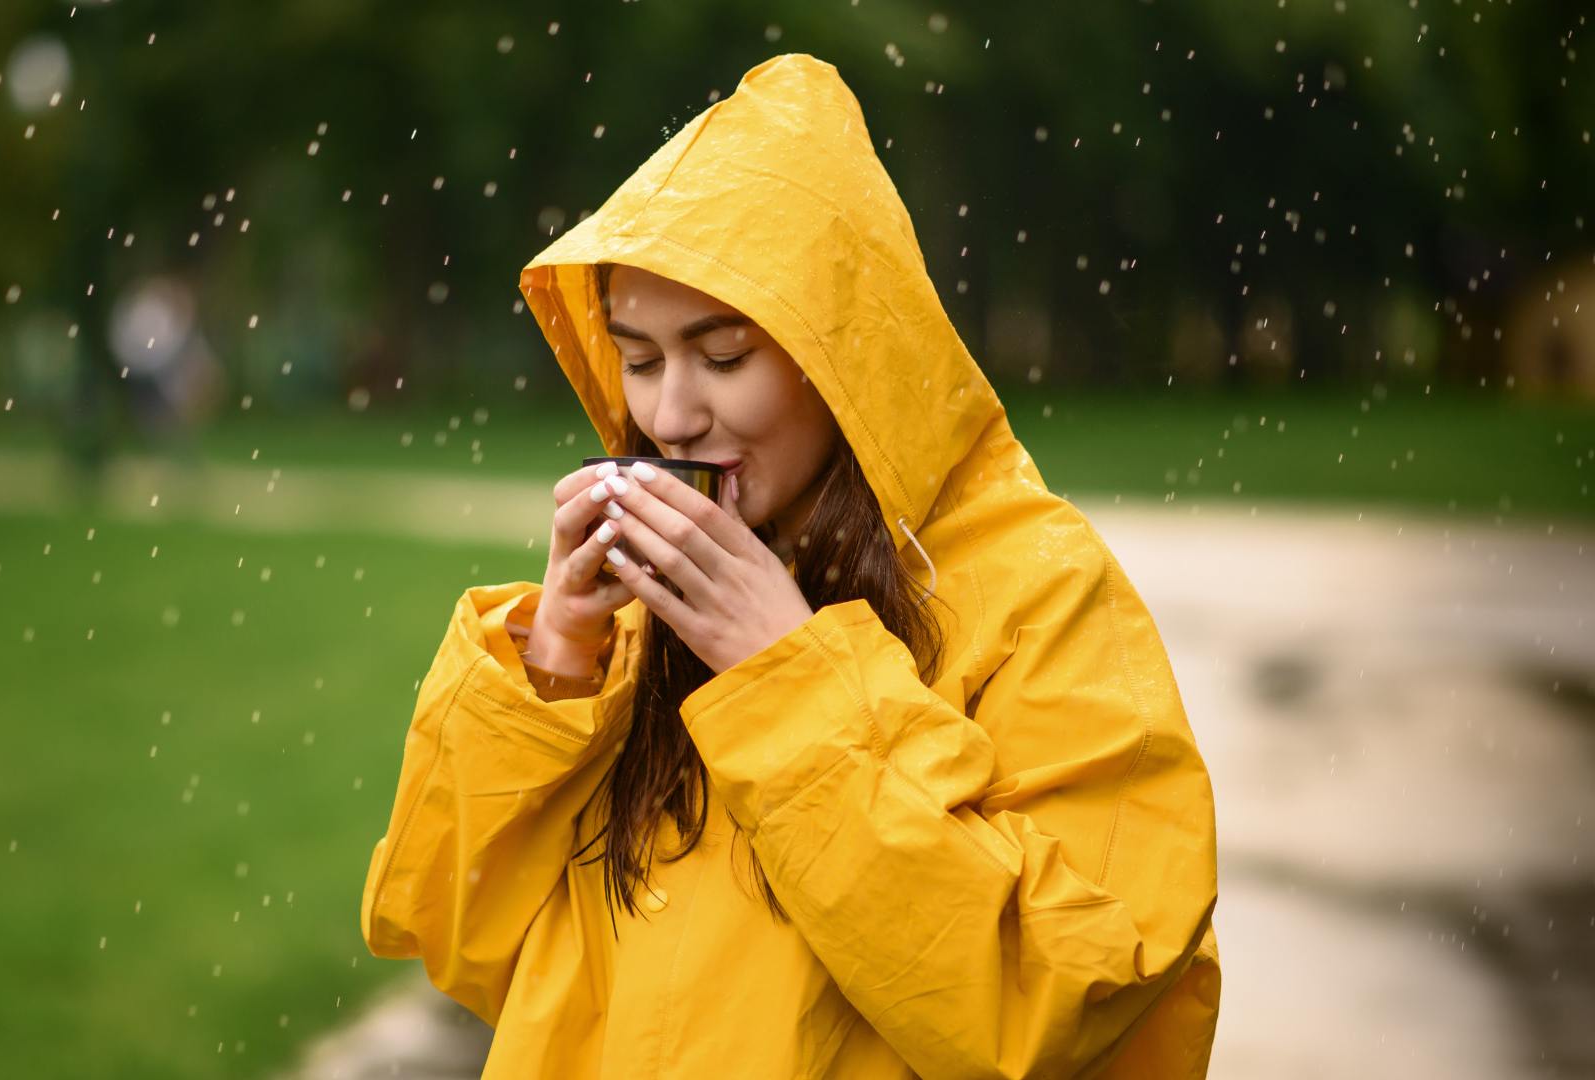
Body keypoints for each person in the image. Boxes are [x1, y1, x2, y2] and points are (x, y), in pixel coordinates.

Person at [360, 53, 1221, 1079]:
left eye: (723, 357)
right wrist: (553, 664)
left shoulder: (1042, 590)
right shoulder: (641, 603)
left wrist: (791, 679)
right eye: (638, 359)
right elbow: (459, 942)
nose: (670, 416)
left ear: (844, 354)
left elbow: (1066, 1000)